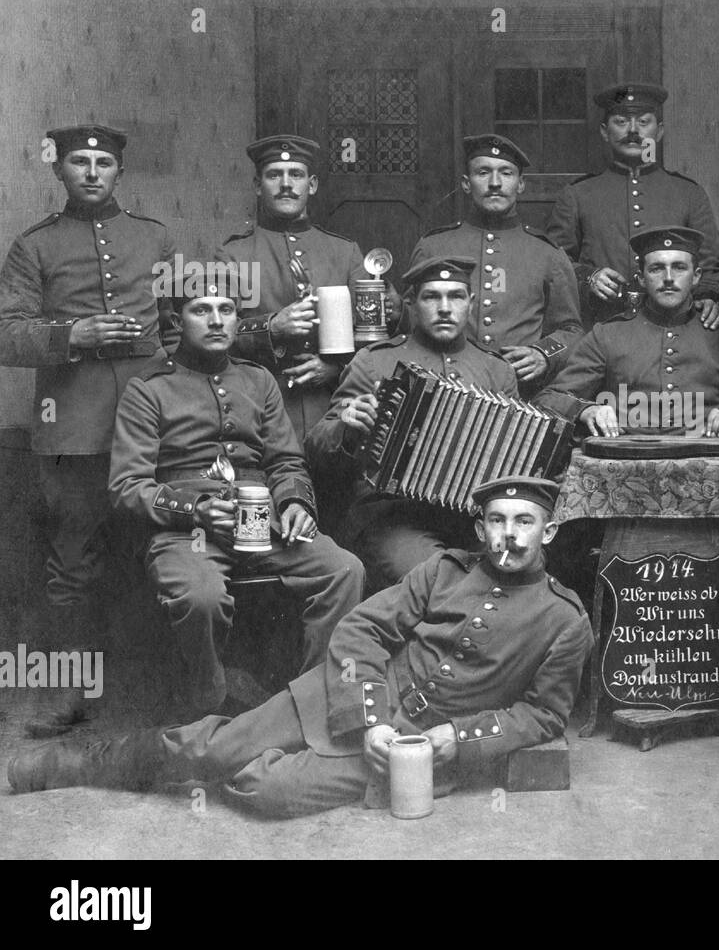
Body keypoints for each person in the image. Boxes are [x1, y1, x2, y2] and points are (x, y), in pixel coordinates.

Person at [8, 477, 593, 820]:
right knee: (210, 750)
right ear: (479, 528)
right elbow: (361, 632)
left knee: (260, 790)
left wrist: (456, 739)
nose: (508, 536)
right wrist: (367, 720)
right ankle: (81, 761)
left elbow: (542, 715)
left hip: (415, 750)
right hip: (348, 700)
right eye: (496, 521)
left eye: (524, 522)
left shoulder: (565, 622)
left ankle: (248, 742)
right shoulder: (443, 571)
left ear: (549, 531)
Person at [109, 276, 364, 714]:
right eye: (201, 310)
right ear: (176, 319)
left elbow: (285, 461)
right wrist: (198, 510)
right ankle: (210, 699)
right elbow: (127, 487)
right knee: (200, 598)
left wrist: (296, 504)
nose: (215, 321)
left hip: (261, 519)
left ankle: (311, 701)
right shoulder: (148, 388)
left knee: (344, 570)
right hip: (185, 531)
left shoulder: (258, 380)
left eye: (226, 310)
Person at [0, 124, 176, 735]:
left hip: (154, 428)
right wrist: (68, 336)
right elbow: (6, 333)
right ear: (60, 170)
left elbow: (178, 327)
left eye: (104, 162)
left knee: (159, 553)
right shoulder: (35, 247)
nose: (93, 172)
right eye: (81, 162)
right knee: (73, 563)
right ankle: (69, 692)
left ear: (120, 172)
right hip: (71, 432)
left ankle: (162, 686)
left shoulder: (153, 239)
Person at [305, 255, 517, 589]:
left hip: (474, 521)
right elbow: (317, 448)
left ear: (471, 303)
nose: (445, 307)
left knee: (515, 580)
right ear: (411, 303)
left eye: (456, 296)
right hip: (393, 519)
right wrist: (346, 427)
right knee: (439, 583)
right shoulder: (375, 362)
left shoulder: (497, 371)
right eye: (432, 296)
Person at [537, 226, 719, 440]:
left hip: (704, 459)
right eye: (656, 269)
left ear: (696, 277)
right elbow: (549, 399)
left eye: (679, 268)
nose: (668, 279)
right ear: (641, 278)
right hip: (625, 463)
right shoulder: (607, 335)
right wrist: (587, 410)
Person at [215, 134, 369, 444]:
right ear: (259, 185)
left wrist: (336, 367)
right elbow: (216, 336)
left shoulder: (346, 252)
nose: (286, 184)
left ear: (311, 185)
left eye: (296, 175)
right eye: (275, 175)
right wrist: (273, 327)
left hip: (334, 408)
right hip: (261, 408)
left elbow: (374, 338)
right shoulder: (233, 256)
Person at [404, 134, 582, 394]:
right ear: (466, 183)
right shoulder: (433, 246)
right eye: (483, 172)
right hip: (443, 390)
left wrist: (544, 354)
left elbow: (572, 330)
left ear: (521, 184)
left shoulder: (547, 253)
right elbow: (411, 324)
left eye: (506, 173)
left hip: (519, 396)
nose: (495, 183)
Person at [545, 83, 719, 328]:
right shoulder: (578, 194)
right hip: (603, 326)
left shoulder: (688, 193)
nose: (632, 131)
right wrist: (588, 277)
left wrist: (707, 295)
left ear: (659, 132)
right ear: (605, 132)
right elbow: (554, 262)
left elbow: (711, 262)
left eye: (643, 122)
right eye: (621, 121)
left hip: (674, 327)